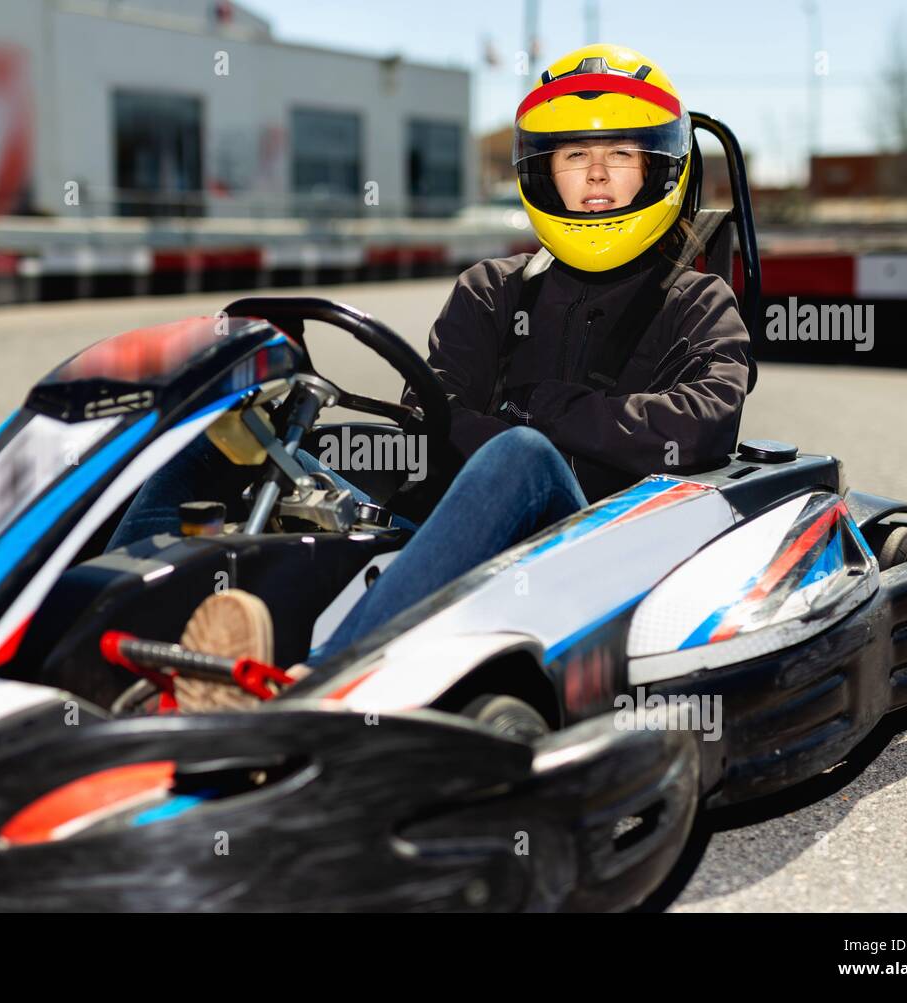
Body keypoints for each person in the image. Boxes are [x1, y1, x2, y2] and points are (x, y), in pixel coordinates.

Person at [123, 43, 752, 711]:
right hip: (449, 530)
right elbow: (436, 419)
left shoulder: (696, 301)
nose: (597, 175)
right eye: (575, 157)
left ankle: (317, 690)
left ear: (658, 170)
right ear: (544, 174)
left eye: (619, 156)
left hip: (598, 553)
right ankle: (112, 644)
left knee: (523, 456)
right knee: (232, 429)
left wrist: (539, 410)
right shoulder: (492, 289)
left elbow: (703, 423)